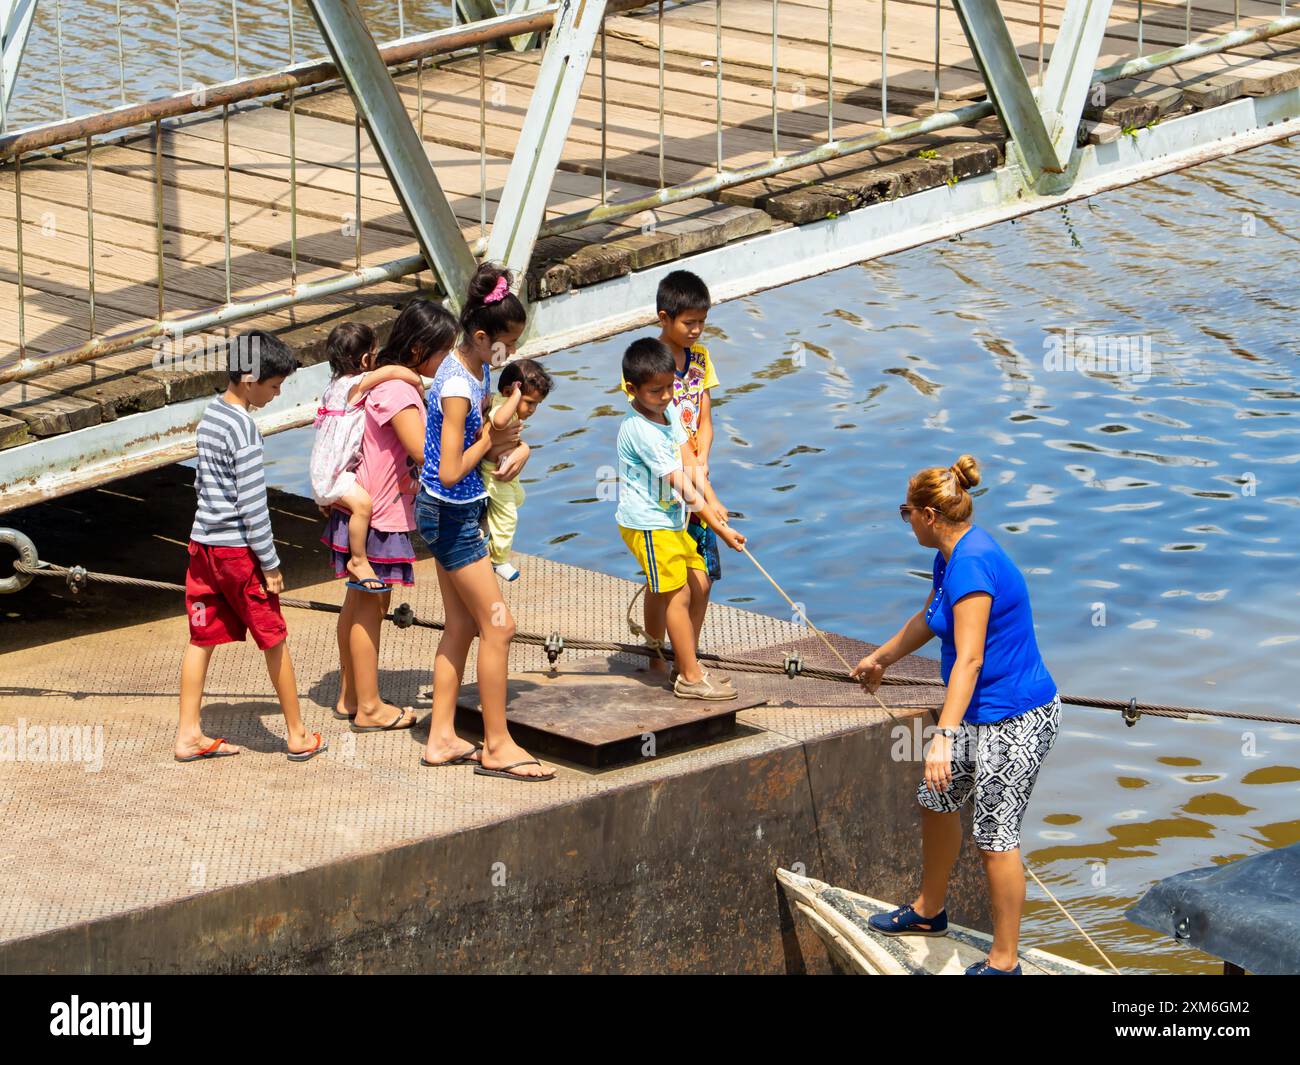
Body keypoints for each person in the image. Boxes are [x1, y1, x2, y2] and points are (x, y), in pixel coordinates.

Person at [850, 455, 1060, 976]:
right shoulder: (952, 555)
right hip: (976, 713)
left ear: (928, 515)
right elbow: (930, 617)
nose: (906, 523)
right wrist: (882, 657)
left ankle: (1005, 962)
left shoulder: (971, 563)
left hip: (1017, 717)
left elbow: (970, 658)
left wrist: (942, 737)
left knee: (995, 837)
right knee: (935, 798)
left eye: (906, 513)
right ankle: (928, 912)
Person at [415, 263, 552, 780]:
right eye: (507, 343)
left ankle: (442, 737)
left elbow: (494, 430)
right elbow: (450, 470)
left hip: (459, 510)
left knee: (463, 624)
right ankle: (496, 744)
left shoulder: (479, 368)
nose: (511, 353)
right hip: (448, 515)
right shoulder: (455, 386)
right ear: (480, 336)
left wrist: (520, 447)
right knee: (500, 625)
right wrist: (491, 445)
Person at [176, 329, 326, 763]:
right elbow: (252, 504)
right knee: (273, 636)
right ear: (248, 377)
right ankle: (297, 734)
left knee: (199, 638)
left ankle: (188, 733)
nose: (277, 395)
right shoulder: (244, 428)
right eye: (274, 386)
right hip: (238, 553)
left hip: (202, 545)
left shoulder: (210, 416)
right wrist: (271, 562)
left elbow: (204, 484)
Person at [323, 301, 458, 732]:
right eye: (444, 352)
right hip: (379, 512)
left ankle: (349, 694)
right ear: (419, 350)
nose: (448, 361)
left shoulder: (374, 381)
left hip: (361, 504)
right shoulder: (397, 391)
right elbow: (423, 452)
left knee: (360, 600)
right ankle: (369, 707)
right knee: (370, 604)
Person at [616, 337, 745, 700]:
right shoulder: (641, 431)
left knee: (699, 582)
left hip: (669, 520)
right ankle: (689, 674)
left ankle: (664, 655)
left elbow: (689, 458)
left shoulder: (668, 411)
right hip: (647, 523)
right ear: (632, 390)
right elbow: (681, 485)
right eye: (654, 390)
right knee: (677, 592)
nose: (665, 395)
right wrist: (719, 528)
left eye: (670, 386)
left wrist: (713, 500)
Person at [622, 270, 724, 679]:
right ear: (664, 317)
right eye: (688, 323)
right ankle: (656, 649)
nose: (696, 330)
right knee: (664, 582)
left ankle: (688, 656)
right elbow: (652, 423)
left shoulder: (700, 359)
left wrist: (701, 465)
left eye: (702, 321)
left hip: (696, 474)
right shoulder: (647, 362)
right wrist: (691, 478)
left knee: (702, 575)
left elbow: (704, 418)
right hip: (666, 482)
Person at [309, 321, 426, 593]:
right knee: (363, 506)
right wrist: (416, 382)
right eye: (374, 352)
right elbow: (393, 371)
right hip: (334, 474)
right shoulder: (357, 385)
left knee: (356, 504)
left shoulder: (334, 386)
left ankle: (356, 556)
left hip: (326, 469)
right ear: (365, 359)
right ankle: (359, 560)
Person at [479, 358, 554, 582]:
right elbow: (500, 423)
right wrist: (514, 398)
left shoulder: (509, 405)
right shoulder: (503, 405)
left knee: (517, 499)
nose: (532, 409)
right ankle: (498, 559)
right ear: (510, 391)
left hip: (504, 472)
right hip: (493, 473)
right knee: (508, 516)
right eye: (529, 402)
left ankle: (492, 532)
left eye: (537, 404)